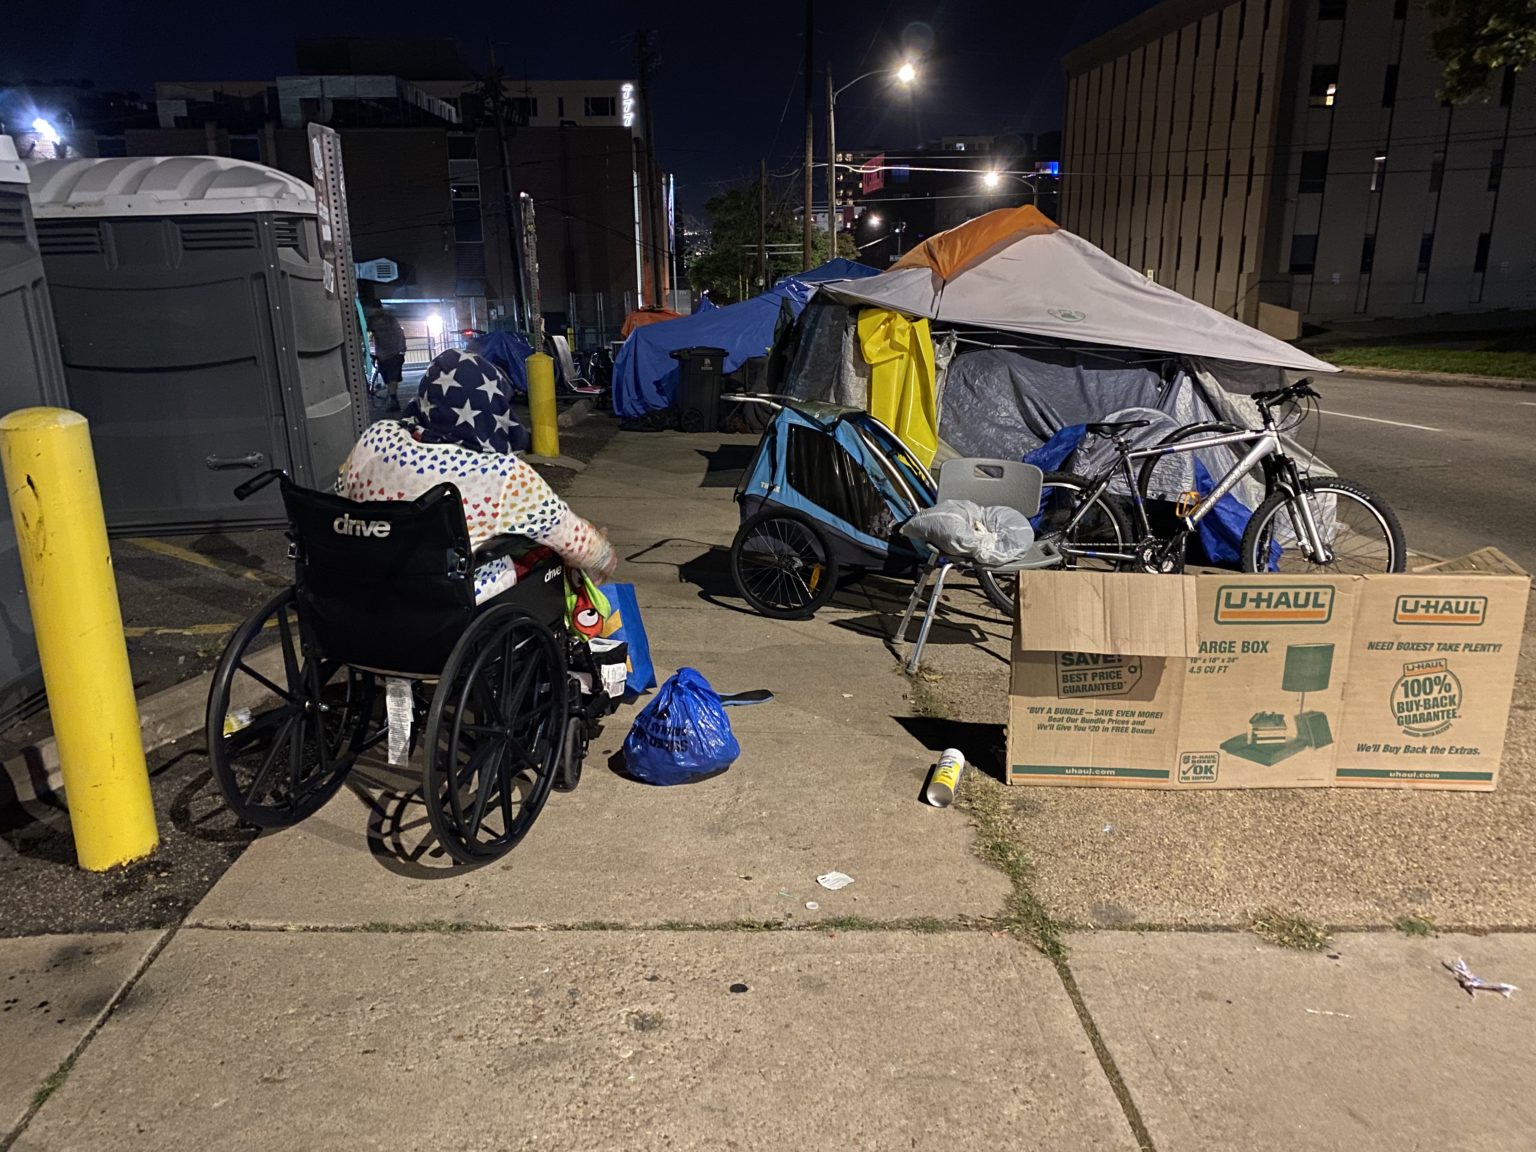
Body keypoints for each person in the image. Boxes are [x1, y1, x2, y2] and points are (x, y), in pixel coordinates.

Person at [336, 349, 616, 602]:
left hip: (357, 593)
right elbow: (580, 546)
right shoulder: (501, 474)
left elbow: (341, 491)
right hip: (441, 607)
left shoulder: (377, 438)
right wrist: (603, 554)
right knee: (544, 560)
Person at [365, 302, 407, 412]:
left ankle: (393, 399)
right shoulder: (379, 320)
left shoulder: (384, 320)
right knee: (390, 378)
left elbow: (399, 333)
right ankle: (393, 398)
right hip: (386, 354)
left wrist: (401, 350)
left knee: (391, 378)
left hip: (391, 353)